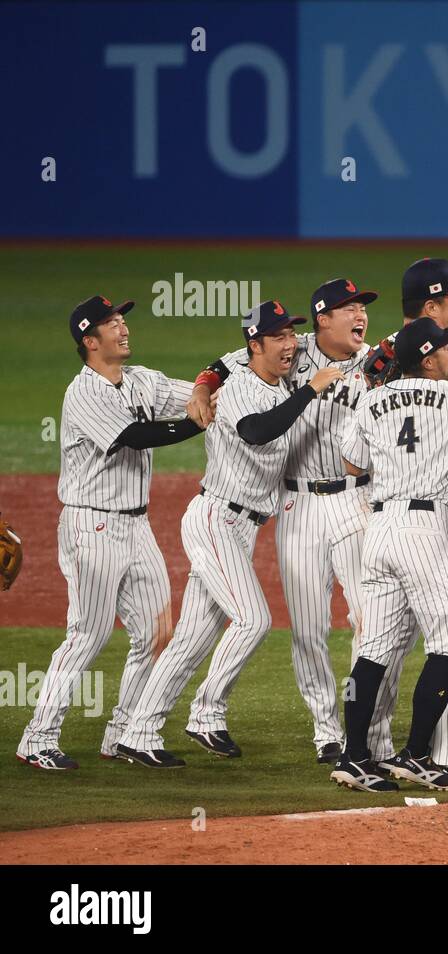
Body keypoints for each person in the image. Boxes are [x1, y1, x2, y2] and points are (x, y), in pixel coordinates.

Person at [117, 302, 343, 767]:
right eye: (278, 337)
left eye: (292, 335)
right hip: (215, 519)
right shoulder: (240, 387)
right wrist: (310, 392)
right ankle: (206, 713)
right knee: (253, 619)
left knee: (191, 640)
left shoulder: (277, 374)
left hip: (242, 529)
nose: (290, 345)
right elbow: (257, 430)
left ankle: (138, 733)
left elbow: (219, 369)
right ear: (253, 346)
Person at [190, 277, 377, 764]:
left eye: (362, 307)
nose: (360, 315)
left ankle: (367, 729)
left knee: (370, 620)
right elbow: (226, 363)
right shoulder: (292, 351)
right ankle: (327, 730)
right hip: (298, 506)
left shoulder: (380, 358)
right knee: (310, 629)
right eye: (349, 308)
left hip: (358, 501)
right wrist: (202, 384)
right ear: (322, 319)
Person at [18, 295, 204, 770]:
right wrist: (194, 421)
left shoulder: (142, 380)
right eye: (110, 323)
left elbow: (198, 392)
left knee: (158, 633)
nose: (122, 327)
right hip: (92, 524)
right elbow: (134, 436)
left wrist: (227, 381)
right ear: (90, 340)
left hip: (136, 525)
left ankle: (124, 734)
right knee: (88, 634)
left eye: (122, 319)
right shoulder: (84, 393)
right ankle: (38, 739)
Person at [328, 317, 448, 793]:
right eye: (445, 350)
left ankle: (353, 756)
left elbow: (351, 464)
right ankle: (417, 754)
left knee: (373, 650)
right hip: (426, 530)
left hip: (380, 528)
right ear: (428, 360)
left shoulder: (371, 398)